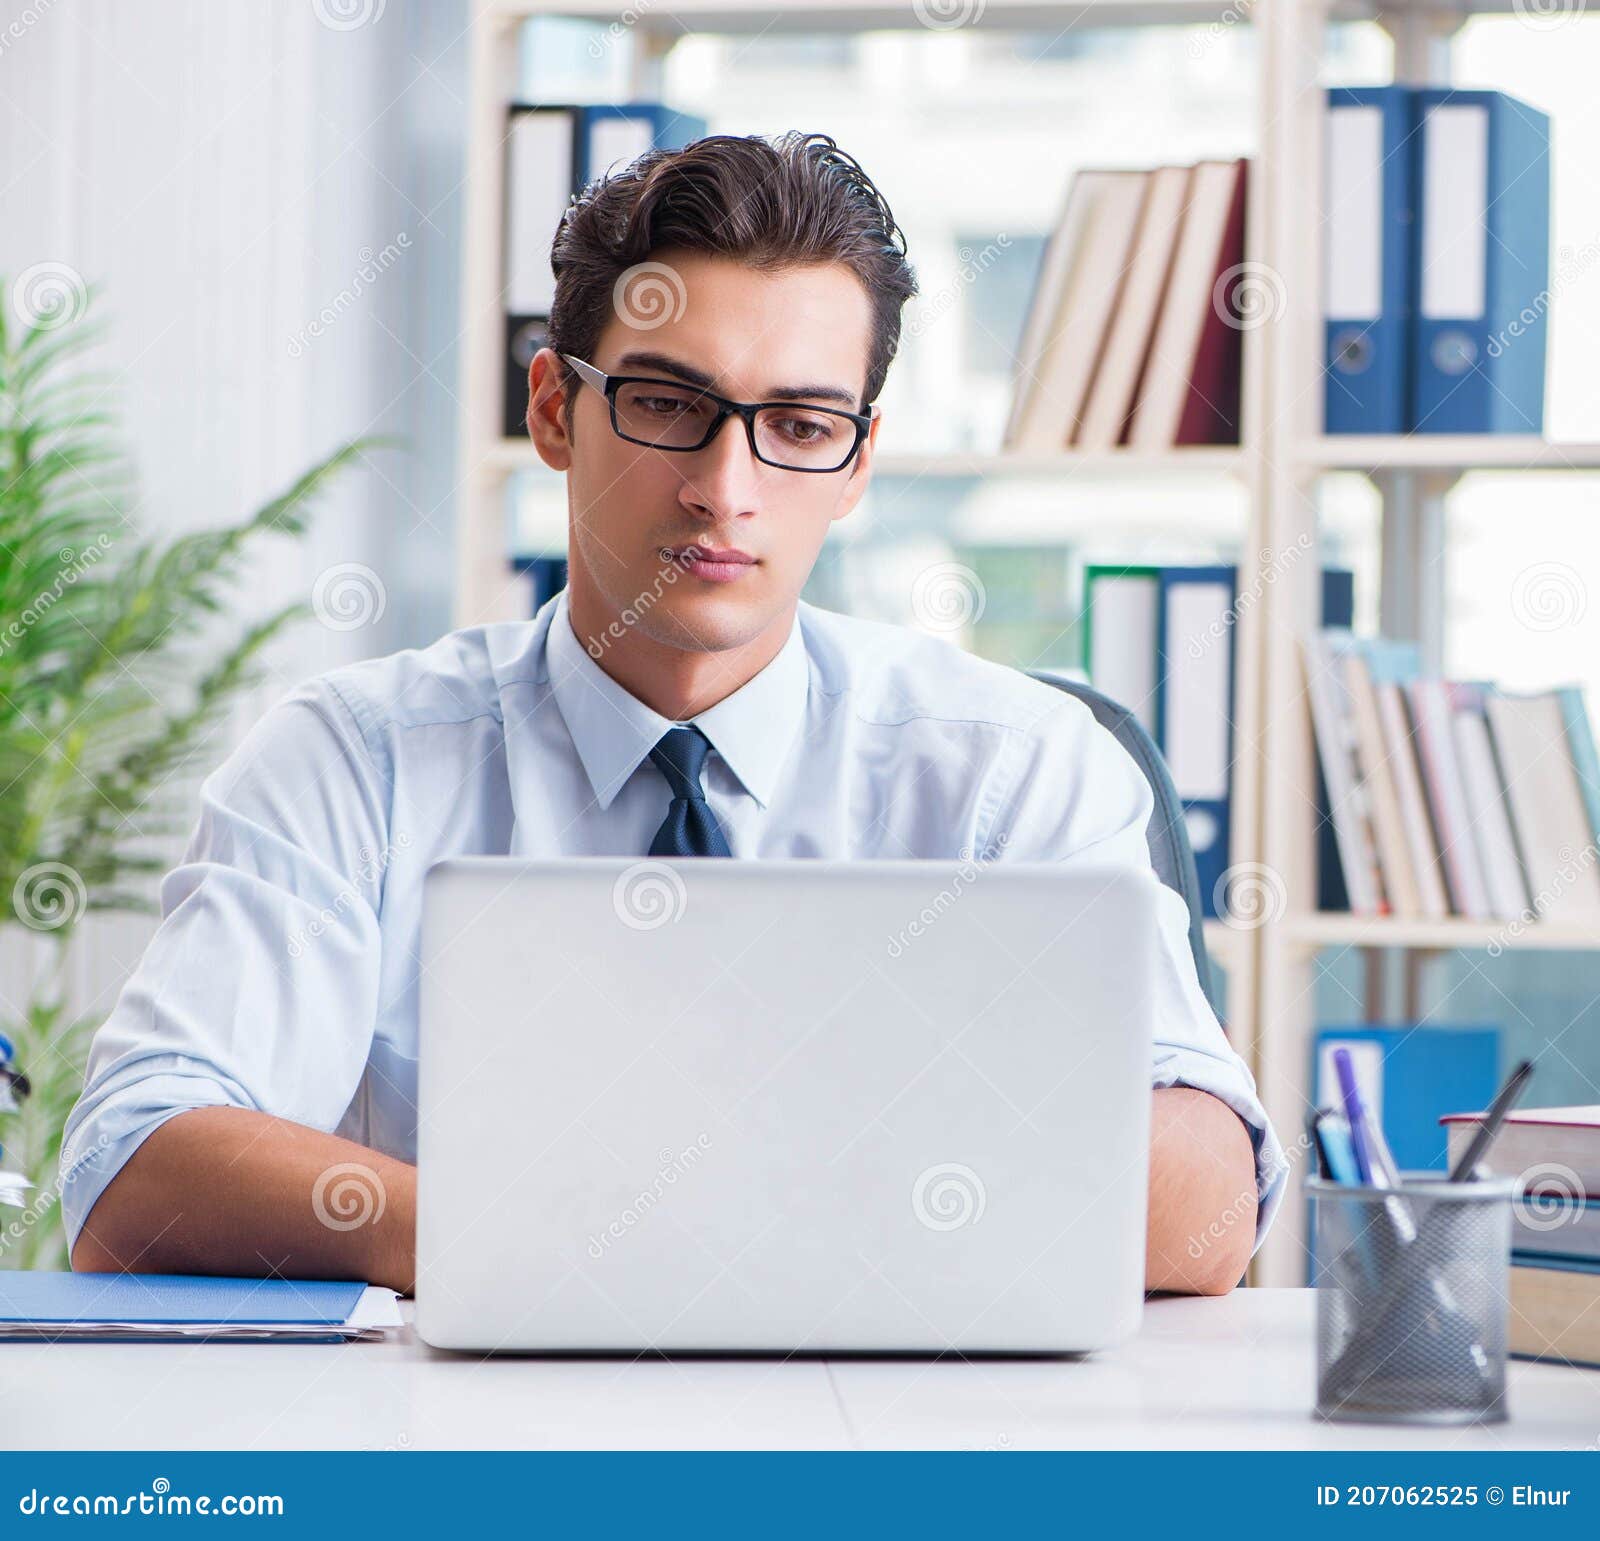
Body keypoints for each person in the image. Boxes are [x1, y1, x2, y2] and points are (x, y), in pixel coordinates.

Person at [63, 131, 1283, 1297]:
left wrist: (753, 1238)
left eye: (800, 427)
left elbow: (1204, 1194)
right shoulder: (356, 760)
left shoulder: (1014, 773)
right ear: (553, 408)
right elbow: (135, 1165)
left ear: (857, 461)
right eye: (663, 403)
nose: (723, 489)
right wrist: (562, 1247)